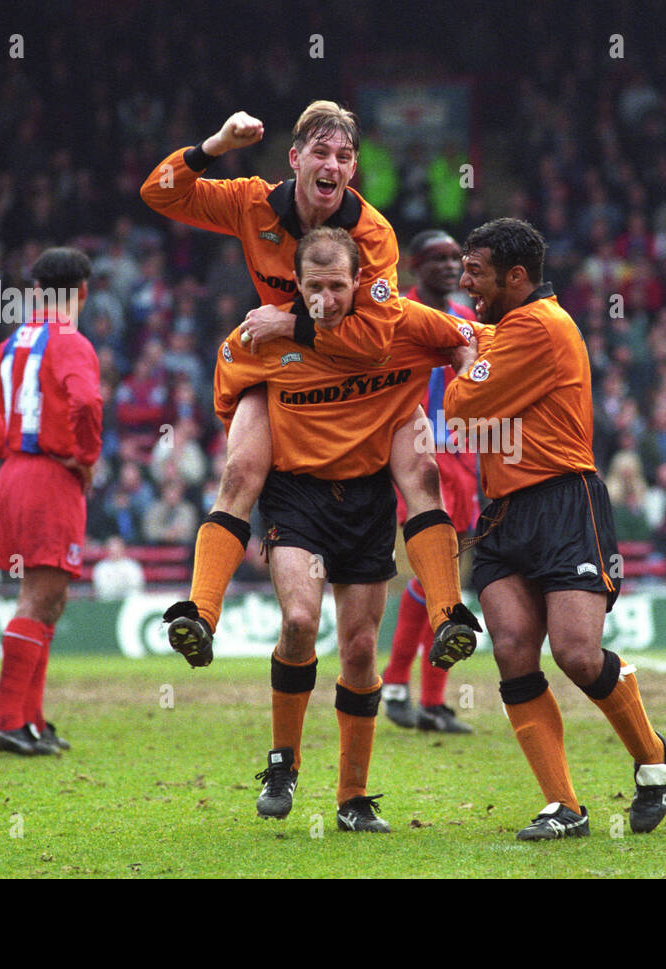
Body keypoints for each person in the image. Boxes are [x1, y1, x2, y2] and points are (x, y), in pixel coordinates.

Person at [140, 101, 474, 668]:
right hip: (278, 363)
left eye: (344, 156)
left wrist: (288, 320)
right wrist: (215, 145)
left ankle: (450, 615)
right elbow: (160, 193)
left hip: (348, 354)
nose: (332, 165)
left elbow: (372, 341)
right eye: (320, 152)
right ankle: (200, 613)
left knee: (422, 470)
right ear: (295, 159)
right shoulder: (251, 202)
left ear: (353, 169)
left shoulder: (373, 234)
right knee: (241, 470)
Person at [201, 228, 484, 833]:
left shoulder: (405, 323)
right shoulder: (258, 335)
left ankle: (353, 798)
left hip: (366, 498)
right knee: (300, 620)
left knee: (359, 649)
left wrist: (463, 394)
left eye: (336, 286)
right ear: (294, 286)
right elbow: (230, 399)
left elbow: (472, 344)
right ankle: (283, 763)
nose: (325, 299)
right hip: (296, 495)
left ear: (359, 281)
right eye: (313, 288)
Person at [443, 218, 666, 841]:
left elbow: (462, 408)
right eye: (463, 268)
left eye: (477, 272)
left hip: (564, 503)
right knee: (514, 649)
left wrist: (467, 355)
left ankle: (653, 758)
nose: (466, 281)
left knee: (575, 652)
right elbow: (475, 372)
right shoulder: (511, 326)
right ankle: (563, 806)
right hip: (504, 513)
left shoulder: (540, 329)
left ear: (517, 277)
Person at [0, 247, 102, 757]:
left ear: (38, 291)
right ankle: (5, 723)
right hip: (50, 477)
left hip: (17, 475)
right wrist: (85, 456)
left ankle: (31, 722)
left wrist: (8, 447)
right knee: (40, 598)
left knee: (50, 598)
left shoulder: (14, 342)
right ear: (83, 291)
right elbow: (86, 401)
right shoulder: (72, 342)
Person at [382, 230, 480, 734]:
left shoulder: (467, 320)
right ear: (415, 267)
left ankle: (423, 698)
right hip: (417, 456)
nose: (448, 267)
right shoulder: (400, 314)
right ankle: (403, 685)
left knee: (447, 584)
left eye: (454, 259)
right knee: (428, 579)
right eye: (436, 259)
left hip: (464, 460)